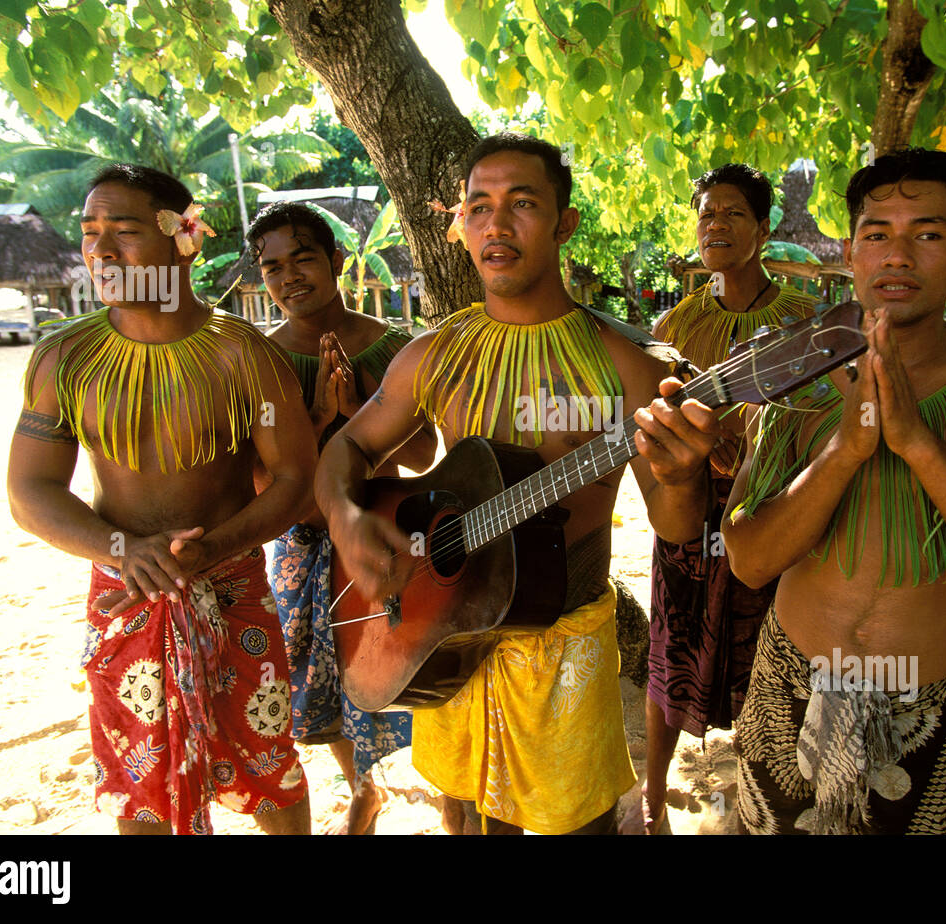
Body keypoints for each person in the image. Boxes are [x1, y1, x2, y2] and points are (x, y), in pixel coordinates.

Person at [315, 132, 720, 835]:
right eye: (479, 207)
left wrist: (684, 475)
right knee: (468, 818)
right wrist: (350, 524)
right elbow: (347, 445)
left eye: (521, 204)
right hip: (444, 631)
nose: (496, 226)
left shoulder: (628, 364)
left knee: (583, 827)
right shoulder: (434, 354)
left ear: (565, 224)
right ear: (461, 226)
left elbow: (678, 528)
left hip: (566, 643)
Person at [721, 148, 946, 834]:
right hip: (785, 688)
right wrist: (847, 449)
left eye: (927, 233)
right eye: (876, 234)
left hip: (922, 709)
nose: (897, 255)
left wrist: (919, 445)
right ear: (851, 253)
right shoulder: (799, 372)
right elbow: (748, 556)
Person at [7, 164, 316, 835]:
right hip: (124, 596)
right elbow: (29, 491)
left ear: (186, 236)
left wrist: (211, 549)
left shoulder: (243, 355)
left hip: (232, 590)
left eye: (123, 232)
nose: (101, 251)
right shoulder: (66, 359)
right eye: (90, 234)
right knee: (137, 774)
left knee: (268, 763)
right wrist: (126, 551)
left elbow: (295, 478)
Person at [248, 201, 437, 835]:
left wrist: (360, 412)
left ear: (335, 260)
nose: (288, 276)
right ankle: (362, 786)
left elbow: (421, 453)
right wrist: (324, 423)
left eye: (302, 257)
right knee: (314, 670)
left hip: (385, 531)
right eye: (272, 267)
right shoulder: (259, 362)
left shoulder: (393, 346)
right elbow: (265, 484)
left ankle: (433, 786)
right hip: (304, 541)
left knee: (402, 661)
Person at [641, 163, 815, 834]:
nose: (714, 224)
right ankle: (654, 797)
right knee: (671, 647)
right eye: (706, 214)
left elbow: (817, 420)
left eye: (732, 214)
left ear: (763, 229)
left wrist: (753, 456)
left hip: (771, 514)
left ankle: (756, 800)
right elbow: (653, 430)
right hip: (686, 512)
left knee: (766, 661)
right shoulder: (672, 327)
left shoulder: (804, 321)